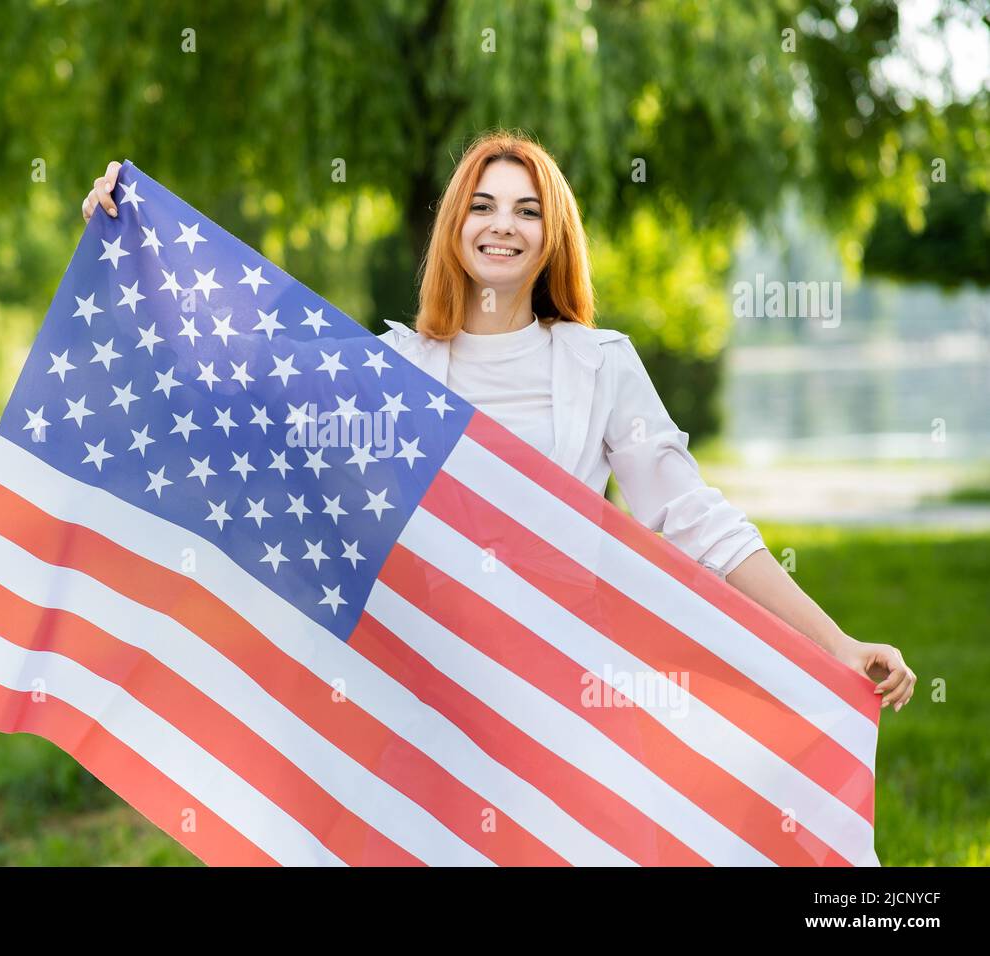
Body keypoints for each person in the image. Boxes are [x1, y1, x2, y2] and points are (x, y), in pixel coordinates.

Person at [79, 132, 916, 714]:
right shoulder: (400, 367)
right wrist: (130, 245)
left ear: (551, 236)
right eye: (482, 206)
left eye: (525, 210)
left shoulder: (600, 363)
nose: (502, 226)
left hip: (564, 686)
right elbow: (241, 378)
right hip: (428, 685)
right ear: (456, 228)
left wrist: (835, 643)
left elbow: (698, 522)